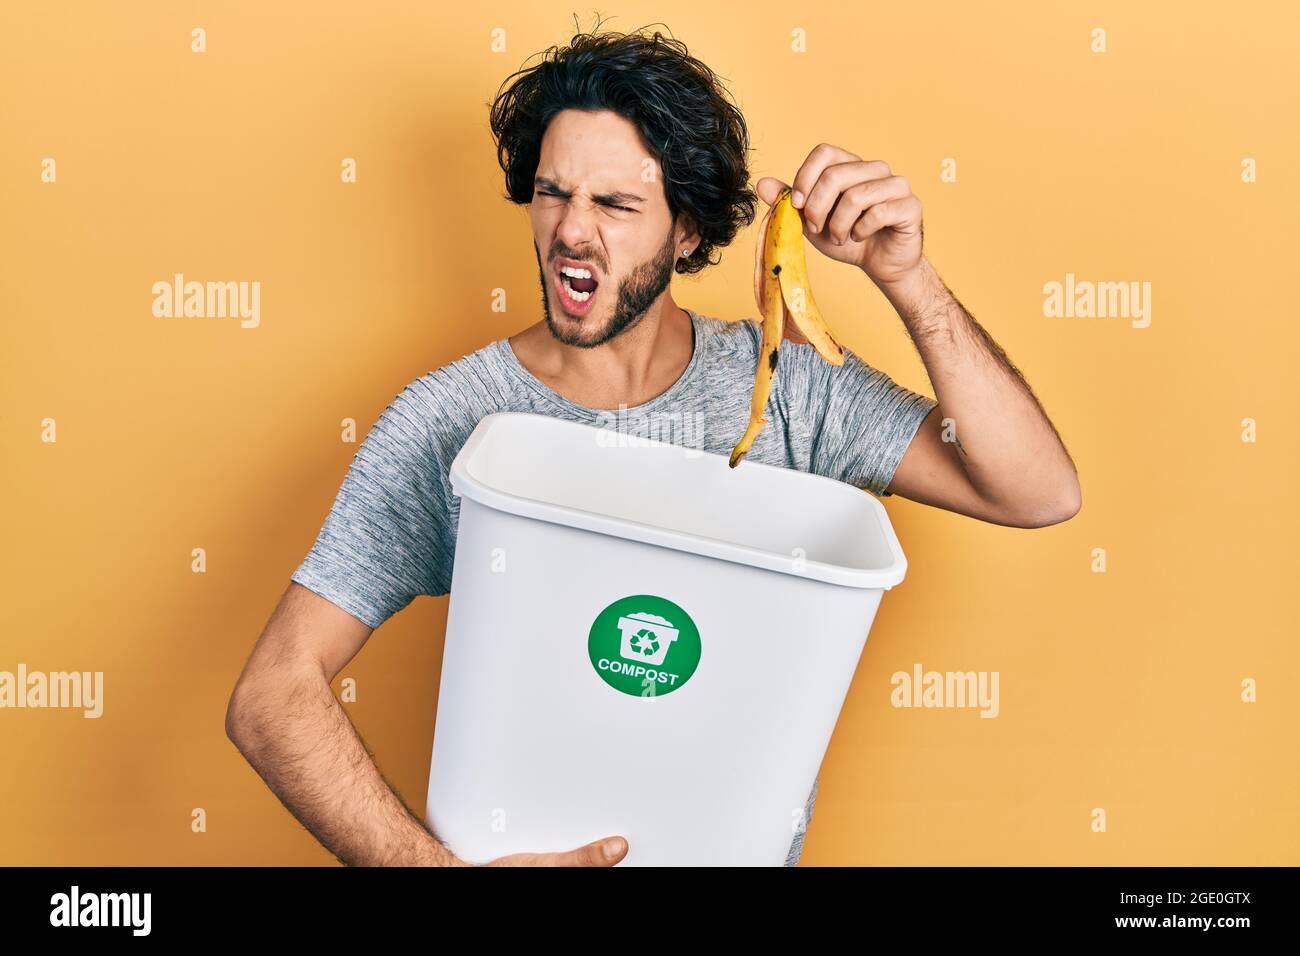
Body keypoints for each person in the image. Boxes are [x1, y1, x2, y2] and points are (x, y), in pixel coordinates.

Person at [225, 22, 1080, 868]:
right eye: (554, 193)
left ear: (688, 233)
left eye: (615, 203)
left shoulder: (788, 387)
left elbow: (1036, 492)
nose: (571, 231)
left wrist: (908, 278)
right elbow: (273, 693)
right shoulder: (455, 417)